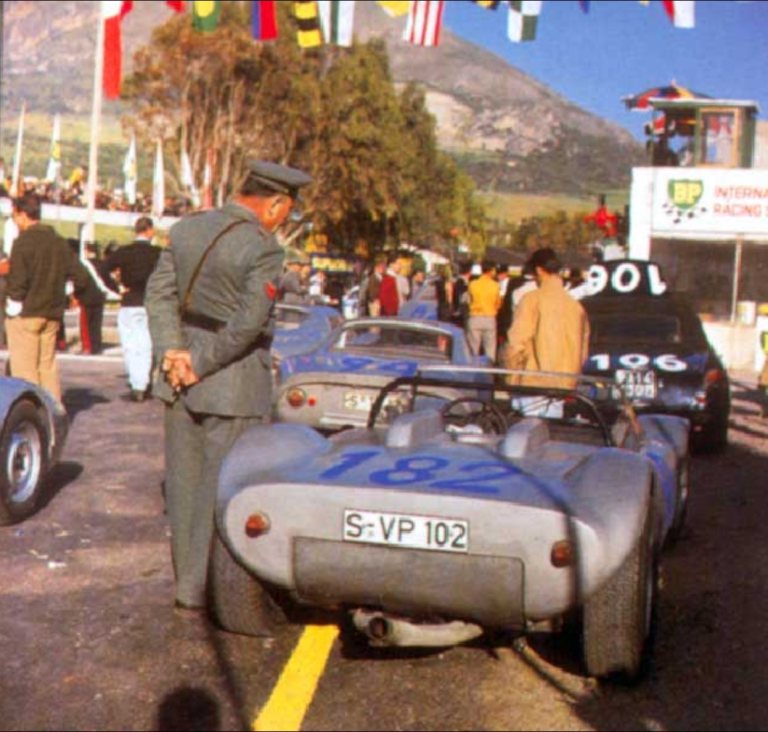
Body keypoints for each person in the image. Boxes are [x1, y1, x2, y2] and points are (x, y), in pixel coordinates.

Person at [146, 159, 312, 612]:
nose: (284, 220)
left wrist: (173, 352)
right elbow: (248, 324)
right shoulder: (264, 248)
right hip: (230, 382)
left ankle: (187, 588)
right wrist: (199, 363)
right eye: (287, 211)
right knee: (221, 489)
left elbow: (158, 296)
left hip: (177, 376)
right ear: (275, 203)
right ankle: (210, 591)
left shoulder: (186, 229)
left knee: (182, 486)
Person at [5, 193, 90, 402]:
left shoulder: (23, 242)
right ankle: (53, 414)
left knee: (25, 372)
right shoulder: (59, 242)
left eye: (14, 216)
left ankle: (30, 418)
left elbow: (18, 281)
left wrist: (12, 305)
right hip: (52, 314)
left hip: (26, 315)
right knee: (47, 368)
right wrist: (71, 296)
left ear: (23, 214)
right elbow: (82, 276)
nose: (15, 221)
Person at [503, 248, 590, 390]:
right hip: (566, 383)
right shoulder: (576, 307)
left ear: (539, 270)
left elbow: (516, 343)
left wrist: (511, 375)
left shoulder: (531, 300)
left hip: (532, 381)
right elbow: (583, 350)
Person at [107, 217, 162, 402]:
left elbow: (102, 268)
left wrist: (117, 288)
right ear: (149, 230)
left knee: (130, 346)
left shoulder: (125, 252)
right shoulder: (158, 254)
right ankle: (143, 383)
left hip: (128, 302)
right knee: (146, 345)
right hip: (149, 301)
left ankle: (135, 381)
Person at [467, 260, 502, 361]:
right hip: (490, 318)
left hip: (475, 317)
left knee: (473, 349)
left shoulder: (473, 284)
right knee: (490, 349)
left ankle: (472, 370)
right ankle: (489, 371)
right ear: (491, 271)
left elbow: (469, 300)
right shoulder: (495, 285)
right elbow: (498, 303)